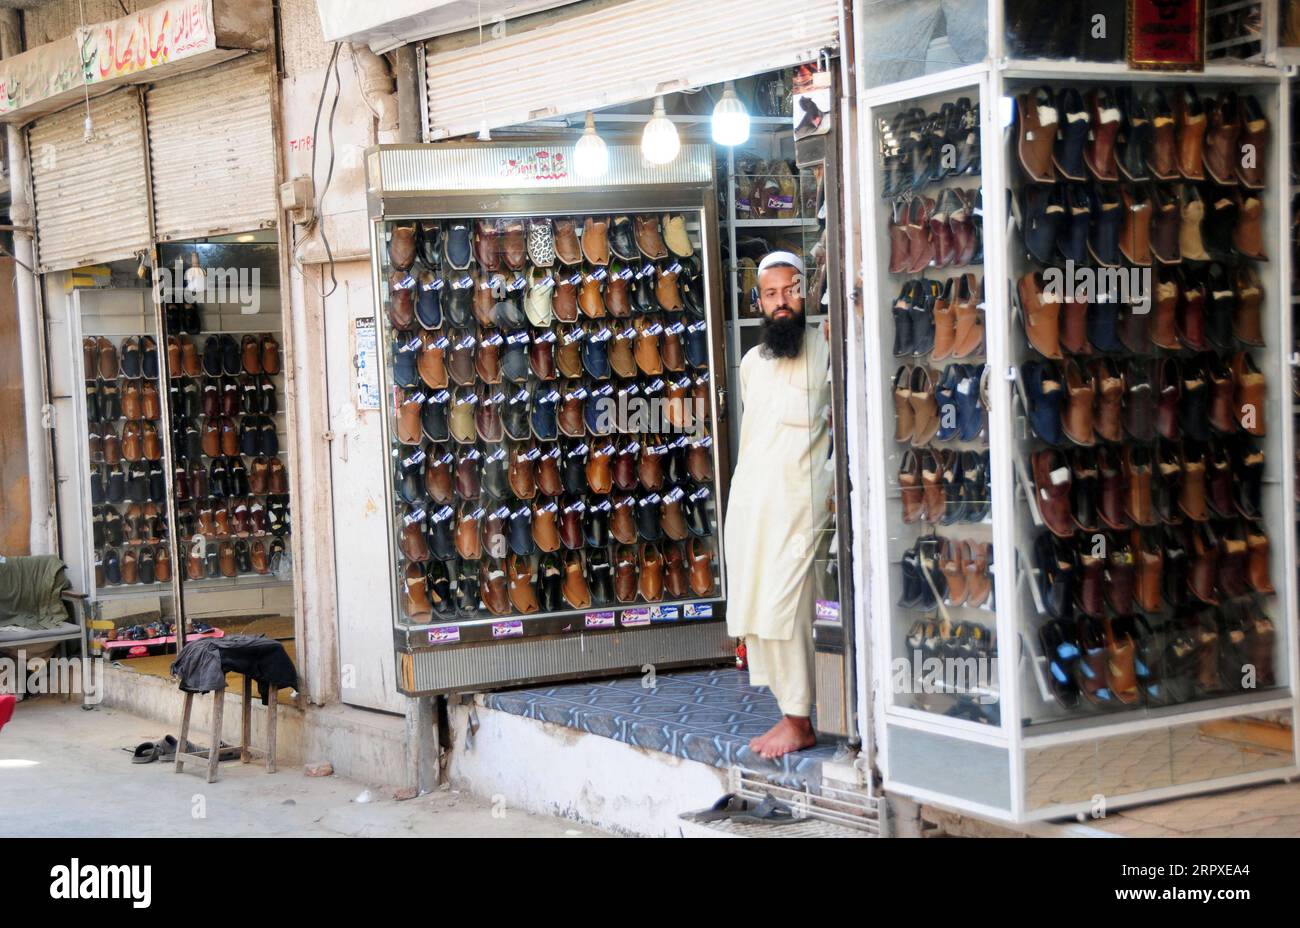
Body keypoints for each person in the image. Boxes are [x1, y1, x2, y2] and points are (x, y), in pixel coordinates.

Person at [724, 250, 831, 759]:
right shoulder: (751, 363)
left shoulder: (828, 348)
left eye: (790, 290)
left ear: (805, 292)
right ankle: (788, 712)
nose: (782, 301)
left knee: (787, 609)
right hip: (755, 506)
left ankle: (802, 719)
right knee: (759, 612)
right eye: (771, 294)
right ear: (759, 301)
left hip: (803, 503)